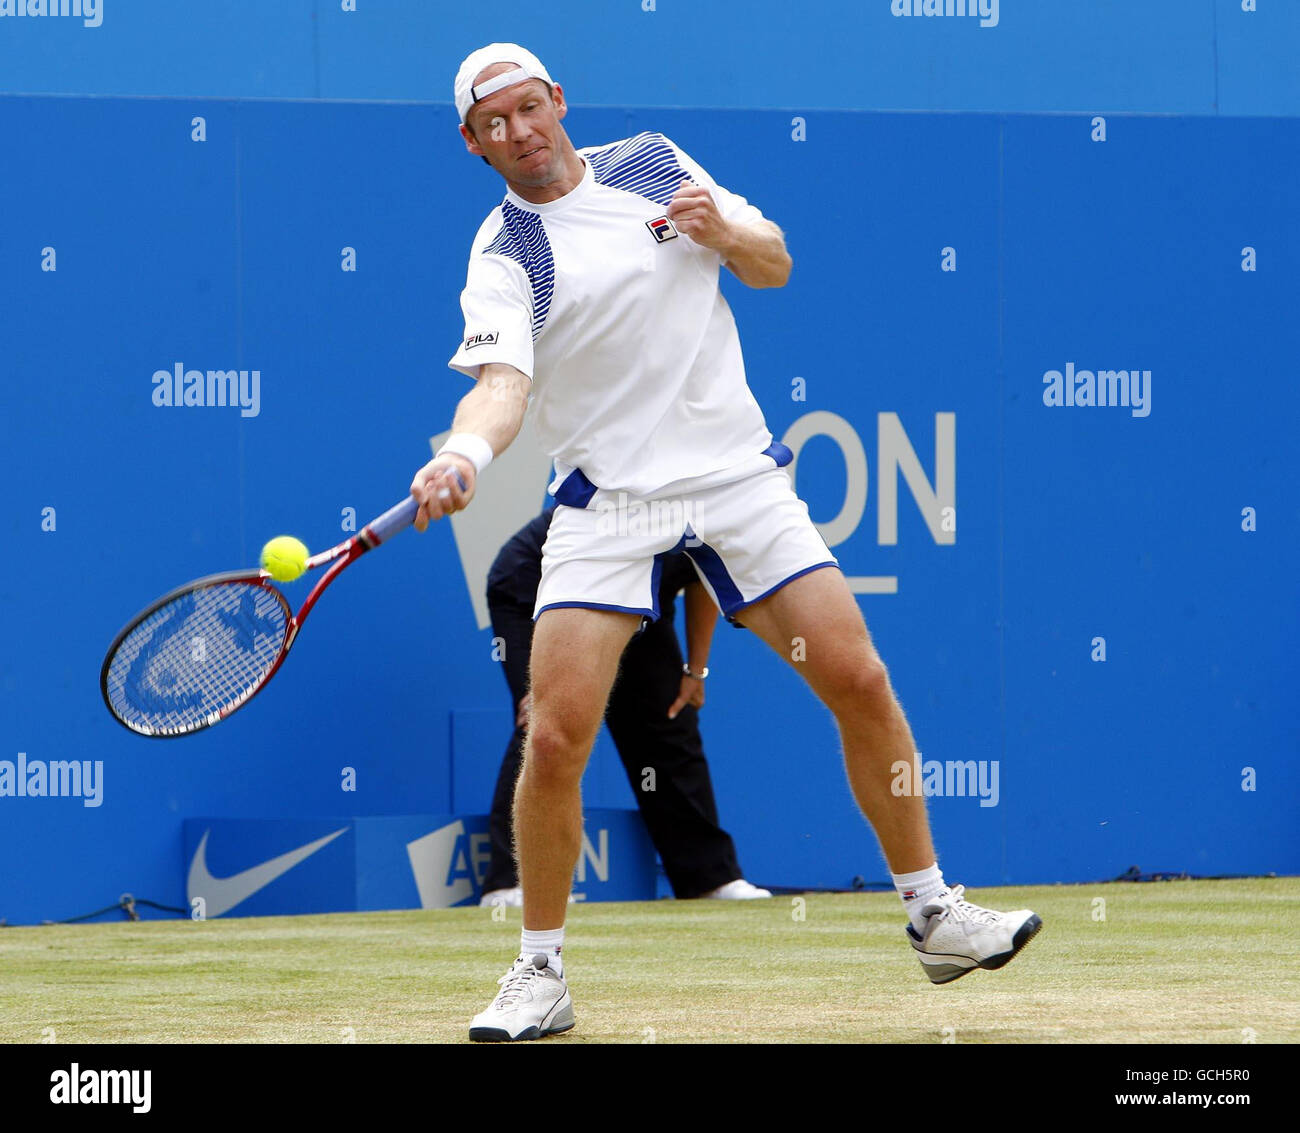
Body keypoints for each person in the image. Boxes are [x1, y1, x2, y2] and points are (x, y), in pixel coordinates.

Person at [409, 43, 1042, 1042]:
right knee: (557, 733)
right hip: (607, 500)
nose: (520, 134)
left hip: (736, 476)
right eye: (495, 124)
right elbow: (502, 388)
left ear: (558, 102)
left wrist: (727, 225)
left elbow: (773, 263)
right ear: (472, 142)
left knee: (858, 676)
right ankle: (539, 972)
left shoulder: (656, 162)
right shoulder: (505, 252)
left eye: (531, 109)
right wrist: (463, 457)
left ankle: (935, 913)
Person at [479, 509, 771, 906]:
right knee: (546, 720)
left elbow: (703, 577)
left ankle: (708, 878)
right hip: (543, 588)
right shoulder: (623, 485)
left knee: (669, 716)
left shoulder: (710, 501)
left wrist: (695, 670)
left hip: (640, 599)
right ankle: (508, 884)